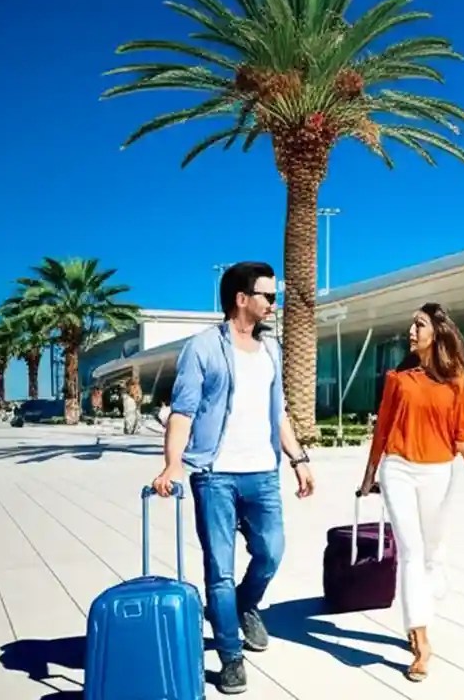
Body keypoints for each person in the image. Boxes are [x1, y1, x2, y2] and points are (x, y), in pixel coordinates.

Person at [150, 261, 316, 695]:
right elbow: (183, 412)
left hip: (262, 473)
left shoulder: (272, 350)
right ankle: (230, 657)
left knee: (272, 552)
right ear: (242, 299)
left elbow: (277, 411)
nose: (274, 302)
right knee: (218, 571)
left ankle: (245, 606)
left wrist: (298, 457)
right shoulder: (203, 348)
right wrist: (173, 464)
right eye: (268, 294)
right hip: (215, 476)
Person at [359, 302, 464, 683]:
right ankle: (420, 638)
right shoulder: (398, 377)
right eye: (411, 325)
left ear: (437, 331)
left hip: (438, 470)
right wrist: (370, 475)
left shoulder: (457, 381)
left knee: (431, 546)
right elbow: (382, 430)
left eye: (419, 325)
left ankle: (437, 565)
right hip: (398, 468)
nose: (411, 331)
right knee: (410, 552)